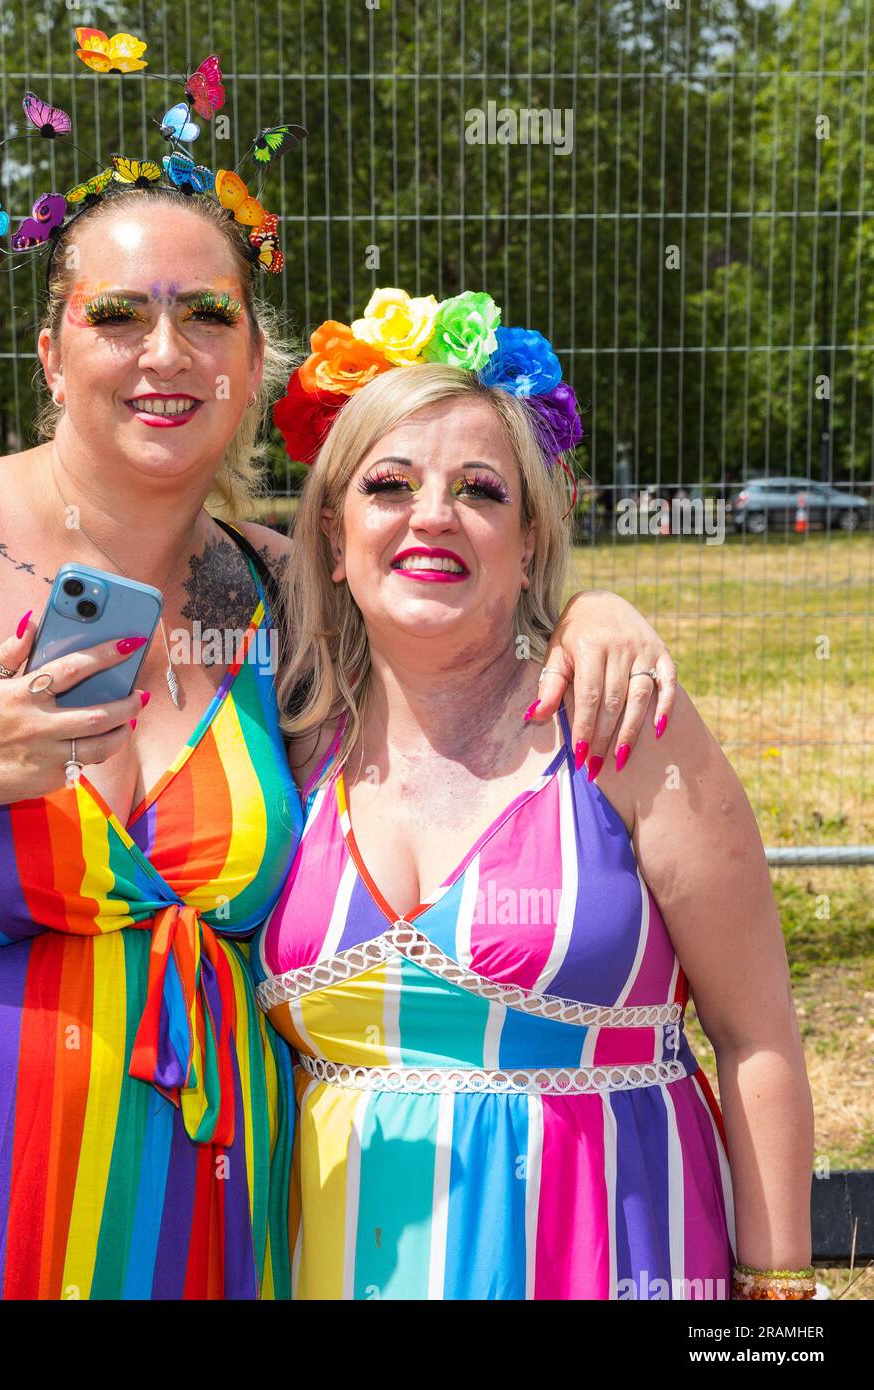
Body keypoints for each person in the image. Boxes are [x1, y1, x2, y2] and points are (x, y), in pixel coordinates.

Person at [0, 51, 679, 1300]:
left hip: (189, 1228)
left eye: (206, 314)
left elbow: (460, 652)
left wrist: (592, 616)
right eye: (118, 314)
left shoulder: (283, 591)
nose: (165, 351)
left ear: (255, 361)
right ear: (49, 352)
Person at [255, 303, 815, 1300]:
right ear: (333, 541)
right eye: (388, 485)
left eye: (480, 490)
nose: (431, 514)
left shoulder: (625, 725)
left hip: (614, 1260)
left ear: (525, 547)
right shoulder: (286, 746)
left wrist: (777, 1307)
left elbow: (756, 1036)